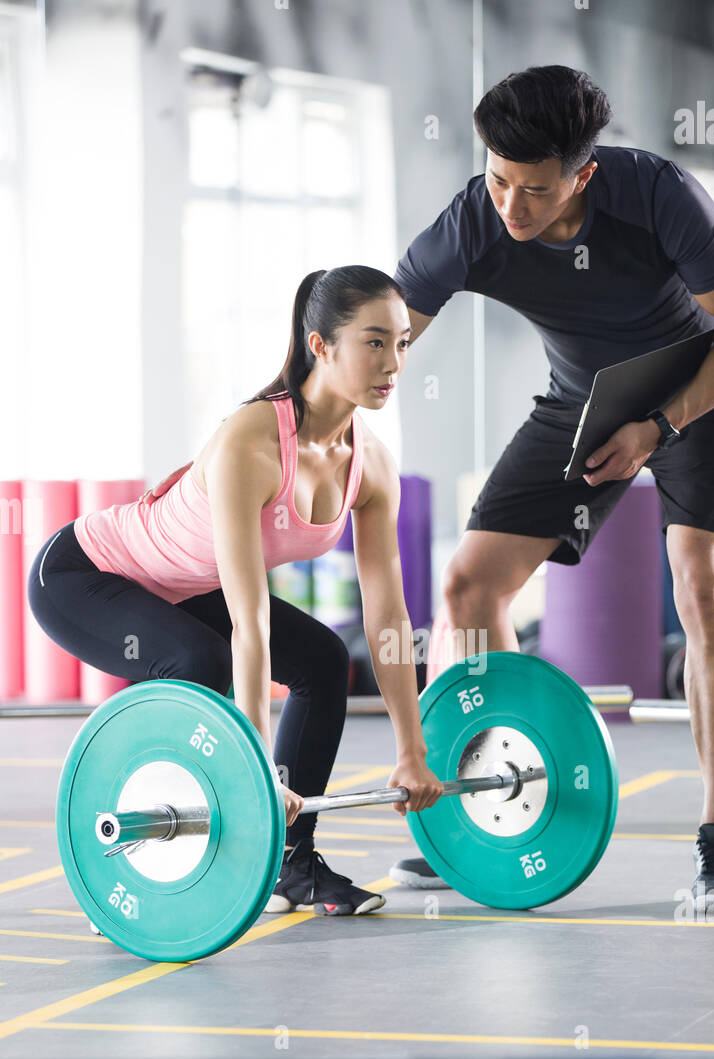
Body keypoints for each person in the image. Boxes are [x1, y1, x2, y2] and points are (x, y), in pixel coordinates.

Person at [387, 64, 714, 915]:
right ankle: (482, 800)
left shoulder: (657, 195)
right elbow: (385, 332)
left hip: (698, 395)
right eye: (496, 180)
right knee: (467, 586)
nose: (510, 209)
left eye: (533, 190)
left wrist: (659, 427)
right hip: (583, 404)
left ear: (583, 176)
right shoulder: (473, 222)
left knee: (706, 590)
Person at [29, 266, 444, 918]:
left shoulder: (371, 463)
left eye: (402, 343)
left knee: (323, 659)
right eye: (373, 342)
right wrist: (255, 768)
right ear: (320, 346)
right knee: (199, 661)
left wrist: (412, 751)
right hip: (87, 575)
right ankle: (147, 850)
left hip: (186, 586)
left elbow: (387, 613)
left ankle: (290, 862)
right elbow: (248, 621)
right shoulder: (252, 442)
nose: (392, 362)